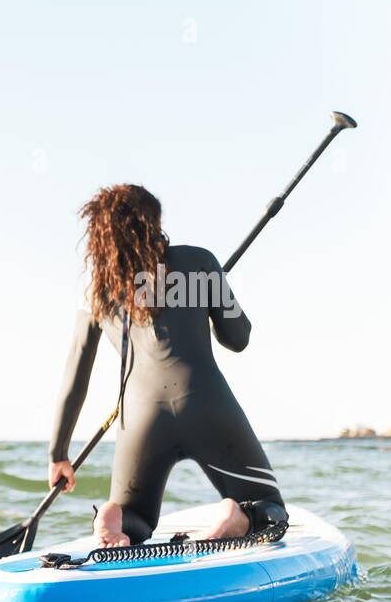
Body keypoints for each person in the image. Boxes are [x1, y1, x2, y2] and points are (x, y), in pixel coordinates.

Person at [47, 184, 287, 547]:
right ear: (153, 221)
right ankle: (236, 514)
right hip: (206, 403)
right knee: (269, 510)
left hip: (141, 418)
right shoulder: (199, 262)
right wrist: (211, 294)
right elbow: (238, 338)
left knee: (137, 521)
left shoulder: (97, 290)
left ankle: (114, 518)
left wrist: (59, 454)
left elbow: (75, 376)